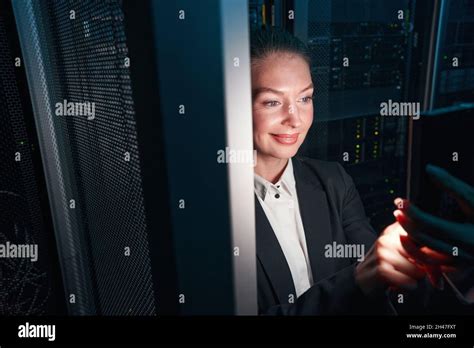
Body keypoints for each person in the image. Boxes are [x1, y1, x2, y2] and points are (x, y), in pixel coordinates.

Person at [250, 29, 474, 315]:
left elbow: (384, 283)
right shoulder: (214, 214)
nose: (295, 119)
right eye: (272, 102)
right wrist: (359, 279)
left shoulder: (333, 181)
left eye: (305, 99)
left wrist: (432, 262)